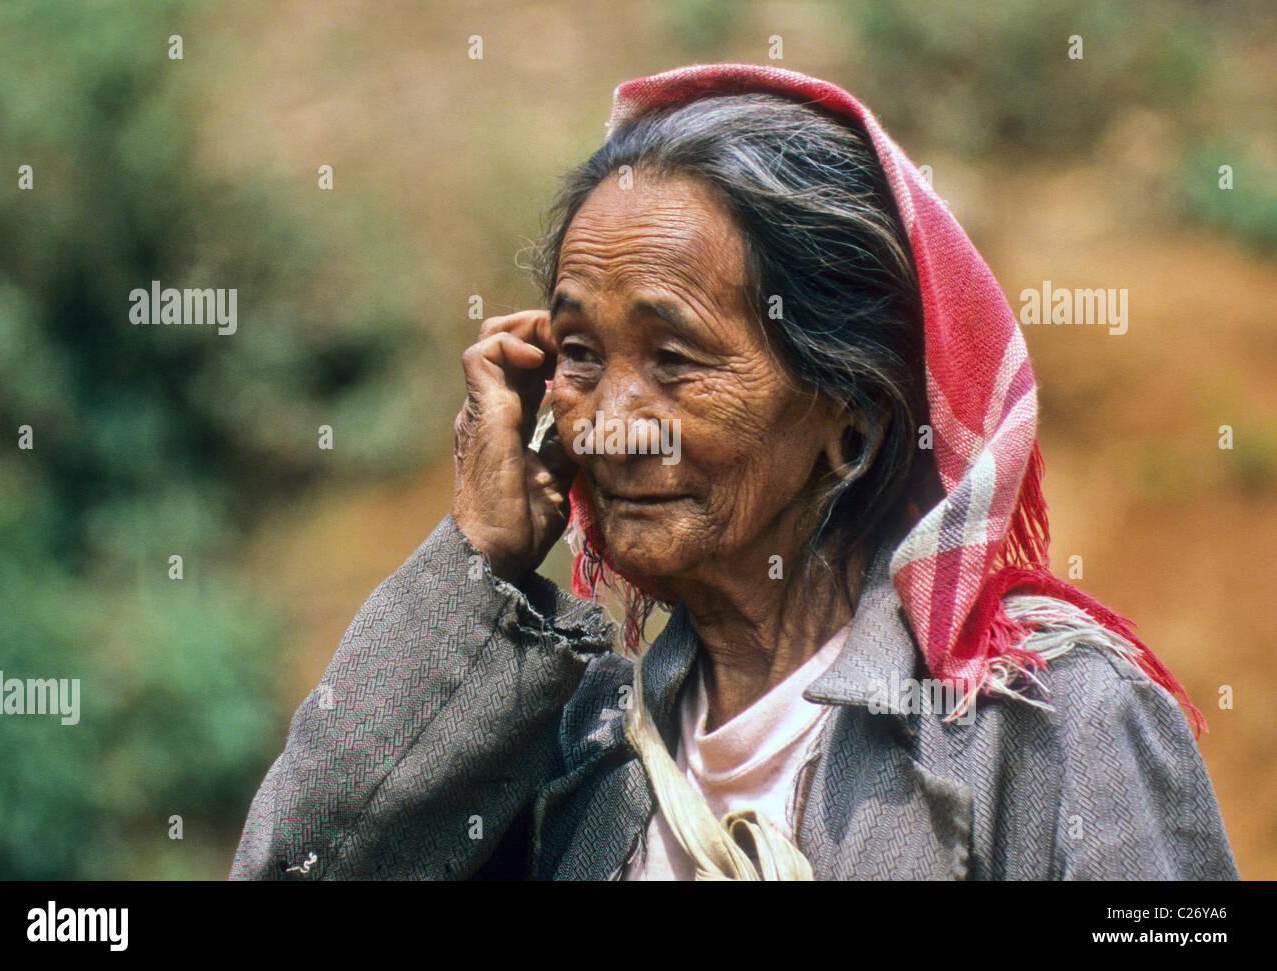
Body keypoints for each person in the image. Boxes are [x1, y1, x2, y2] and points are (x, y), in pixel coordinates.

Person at [230, 64, 1239, 880]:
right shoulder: (570, 748)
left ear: (851, 415)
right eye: (579, 355)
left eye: (675, 361)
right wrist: (478, 572)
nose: (612, 426)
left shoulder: (1046, 732)